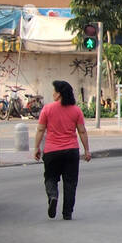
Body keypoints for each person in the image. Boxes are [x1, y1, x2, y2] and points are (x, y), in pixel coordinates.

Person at [33, 80, 90, 220]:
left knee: (50, 178)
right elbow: (82, 132)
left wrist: (36, 148)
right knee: (70, 182)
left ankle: (53, 196)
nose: (53, 93)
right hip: (71, 151)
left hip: (52, 151)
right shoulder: (76, 110)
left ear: (59, 94)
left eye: (54, 91)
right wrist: (87, 150)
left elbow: (40, 129)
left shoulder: (47, 109)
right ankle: (67, 213)